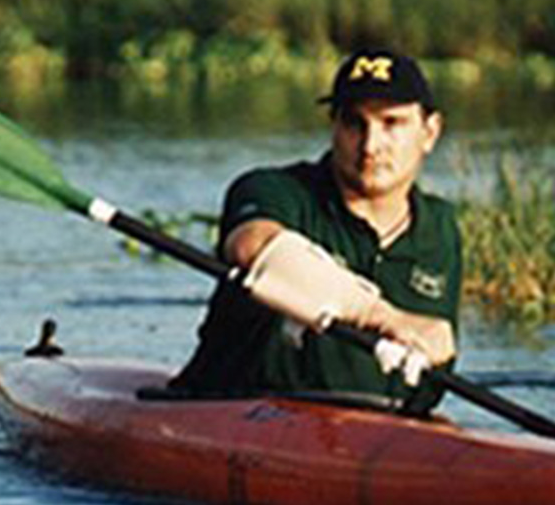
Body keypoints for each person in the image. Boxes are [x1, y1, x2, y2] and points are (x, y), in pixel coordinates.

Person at [172, 49, 461, 415]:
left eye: (391, 123)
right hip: (240, 410)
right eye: (354, 123)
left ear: (430, 132)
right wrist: (383, 316)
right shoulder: (273, 191)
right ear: (333, 127)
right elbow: (251, 246)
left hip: (383, 429)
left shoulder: (441, 227)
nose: (371, 146)